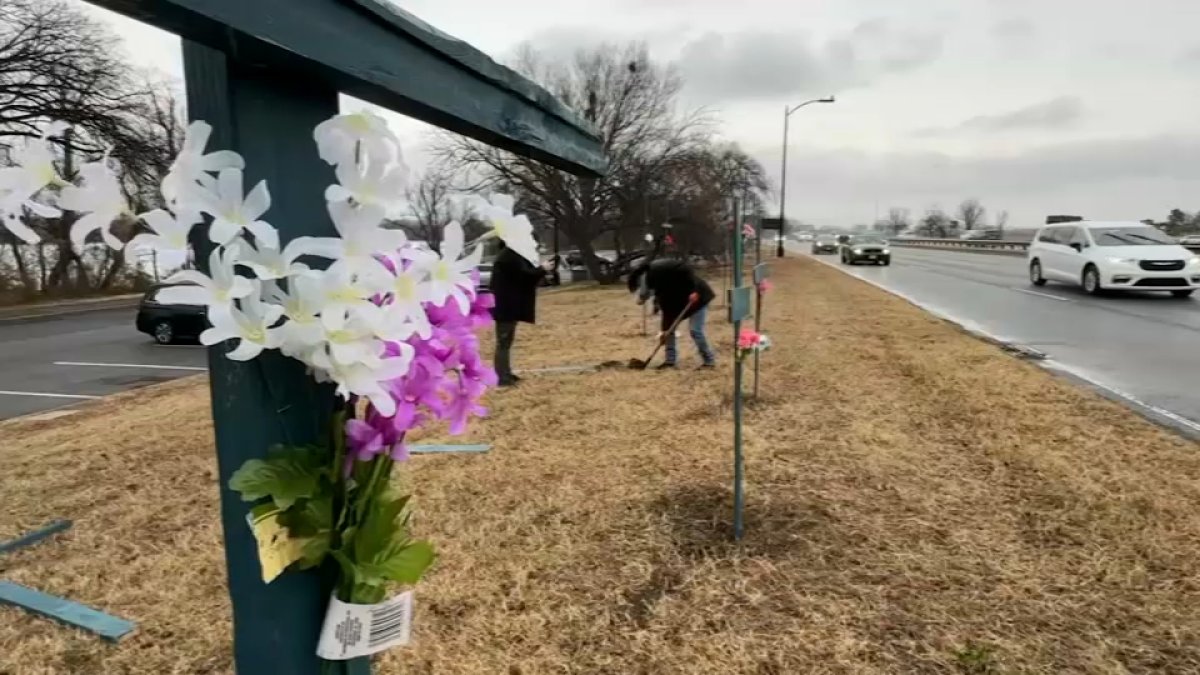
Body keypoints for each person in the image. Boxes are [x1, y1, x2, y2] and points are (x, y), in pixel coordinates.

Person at [627, 258, 716, 369]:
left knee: (695, 331)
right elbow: (666, 309)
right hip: (681, 302)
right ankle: (670, 362)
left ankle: (709, 361)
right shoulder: (659, 288)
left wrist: (694, 290)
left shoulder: (660, 267)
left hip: (698, 298)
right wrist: (665, 330)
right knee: (668, 332)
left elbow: (686, 268)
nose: (644, 293)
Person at [489, 240, 553, 386]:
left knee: (505, 342)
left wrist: (540, 270)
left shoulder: (509, 255)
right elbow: (525, 276)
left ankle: (505, 374)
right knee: (504, 342)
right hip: (506, 307)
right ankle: (503, 377)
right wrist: (542, 269)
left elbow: (523, 276)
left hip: (507, 306)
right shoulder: (510, 256)